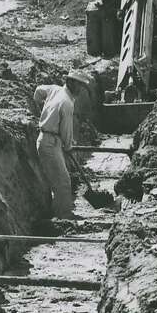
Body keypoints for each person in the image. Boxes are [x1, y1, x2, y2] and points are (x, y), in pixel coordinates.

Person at [31, 70, 92, 218]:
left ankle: (59, 211)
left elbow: (38, 92)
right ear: (71, 82)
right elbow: (66, 131)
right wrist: (69, 146)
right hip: (50, 143)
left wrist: (44, 111)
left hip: (47, 139)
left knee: (58, 179)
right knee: (63, 181)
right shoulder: (67, 103)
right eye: (80, 85)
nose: (81, 89)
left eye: (83, 86)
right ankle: (63, 217)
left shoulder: (54, 89)